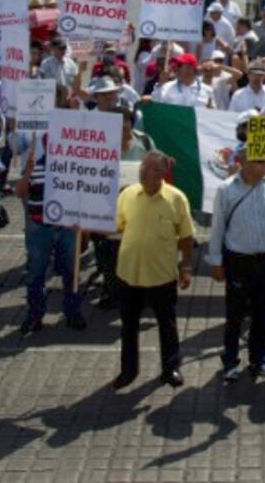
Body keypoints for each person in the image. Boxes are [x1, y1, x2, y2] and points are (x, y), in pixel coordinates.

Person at [207, 142, 265, 382]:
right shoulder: (227, 189)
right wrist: (216, 261)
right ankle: (230, 361)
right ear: (244, 163)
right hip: (237, 260)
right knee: (235, 315)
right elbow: (217, 227)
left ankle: (259, 359)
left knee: (263, 313)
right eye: (260, 161)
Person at [114, 151, 198, 389]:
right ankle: (128, 371)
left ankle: (170, 368)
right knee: (128, 326)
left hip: (161, 277)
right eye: (142, 167)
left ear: (162, 174)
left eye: (150, 168)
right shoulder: (127, 194)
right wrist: (86, 225)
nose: (142, 172)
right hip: (128, 274)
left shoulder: (176, 199)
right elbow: (117, 225)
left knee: (167, 325)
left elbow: (187, 236)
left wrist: (187, 266)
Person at [12, 104, 88, 335]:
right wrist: (27, 172)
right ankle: (34, 315)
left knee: (70, 273)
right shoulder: (35, 167)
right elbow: (20, 192)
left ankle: (72, 313)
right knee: (36, 274)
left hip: (67, 227)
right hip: (40, 227)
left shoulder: (74, 168)